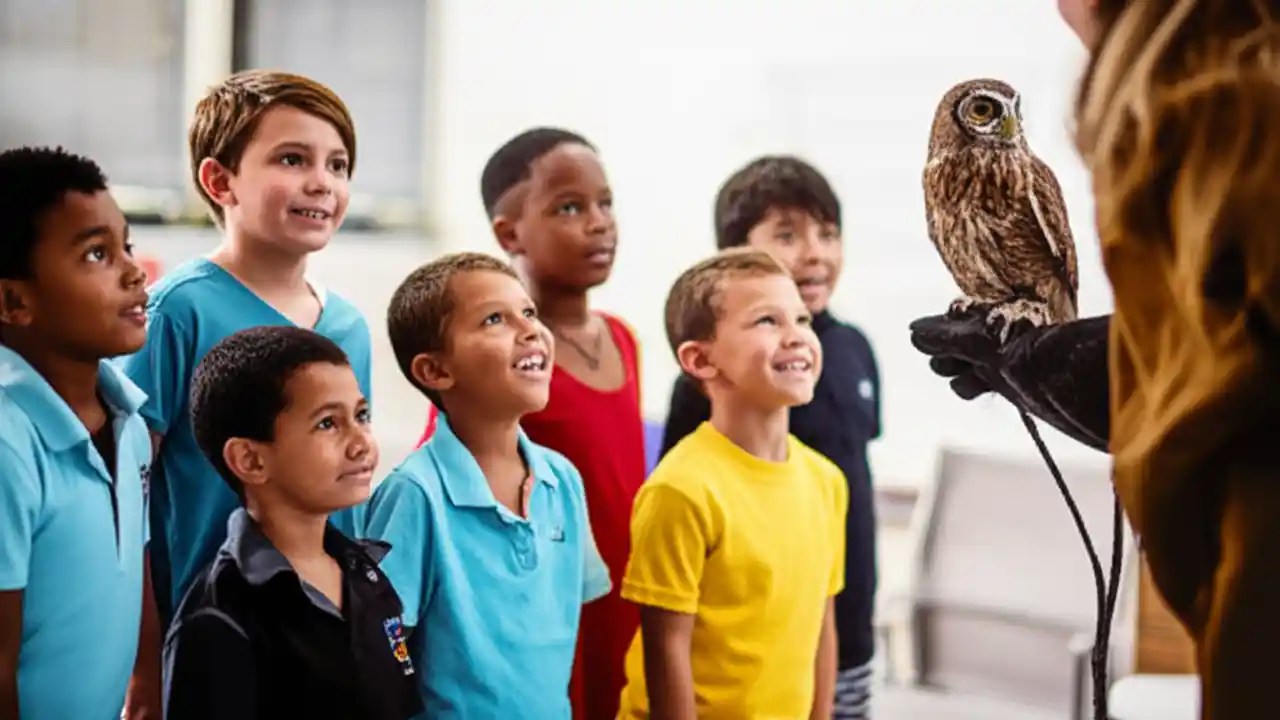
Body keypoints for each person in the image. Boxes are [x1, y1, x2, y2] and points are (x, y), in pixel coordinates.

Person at [909, 1, 1280, 717]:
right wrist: (1114, 378)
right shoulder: (1178, 90)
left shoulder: (1205, 94)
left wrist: (1094, 364)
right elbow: (1219, 341)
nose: (1062, 12)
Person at [119, 70, 373, 625]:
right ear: (220, 181)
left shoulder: (349, 327)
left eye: (337, 164)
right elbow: (122, 502)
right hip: (205, 630)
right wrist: (139, 660)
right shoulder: (177, 312)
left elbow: (350, 495)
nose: (322, 182)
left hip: (323, 630)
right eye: (291, 159)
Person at [419, 127, 645, 720]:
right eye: (569, 207)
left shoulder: (623, 339)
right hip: (541, 614)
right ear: (508, 232)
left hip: (624, 601)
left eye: (606, 203)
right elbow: (443, 486)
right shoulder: (496, 359)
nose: (599, 222)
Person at [661, 155, 881, 718]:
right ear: (734, 255)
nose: (815, 252)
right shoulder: (711, 380)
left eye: (828, 234)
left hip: (844, 632)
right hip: (747, 658)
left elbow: (854, 481)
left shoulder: (852, 349)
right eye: (788, 235)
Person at [366, 252, 611, 719]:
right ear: (435, 371)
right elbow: (382, 645)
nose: (530, 331)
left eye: (530, 313)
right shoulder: (416, 494)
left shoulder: (563, 480)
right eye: (495, 319)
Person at [617, 248, 845, 719]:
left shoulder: (826, 482)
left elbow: (821, 628)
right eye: (767, 321)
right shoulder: (680, 491)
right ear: (701, 359)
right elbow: (667, 653)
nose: (797, 337)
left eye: (801, 319)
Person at [162, 326, 419, 720]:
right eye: (328, 424)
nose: (361, 442)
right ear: (250, 460)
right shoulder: (219, 618)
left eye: (361, 416)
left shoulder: (366, 575)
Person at [0, 146, 156, 719]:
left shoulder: (129, 419)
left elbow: (133, 568)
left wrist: (148, 685)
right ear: (14, 300)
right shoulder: (7, 441)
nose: (135, 272)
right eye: (97, 254)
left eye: (126, 246)